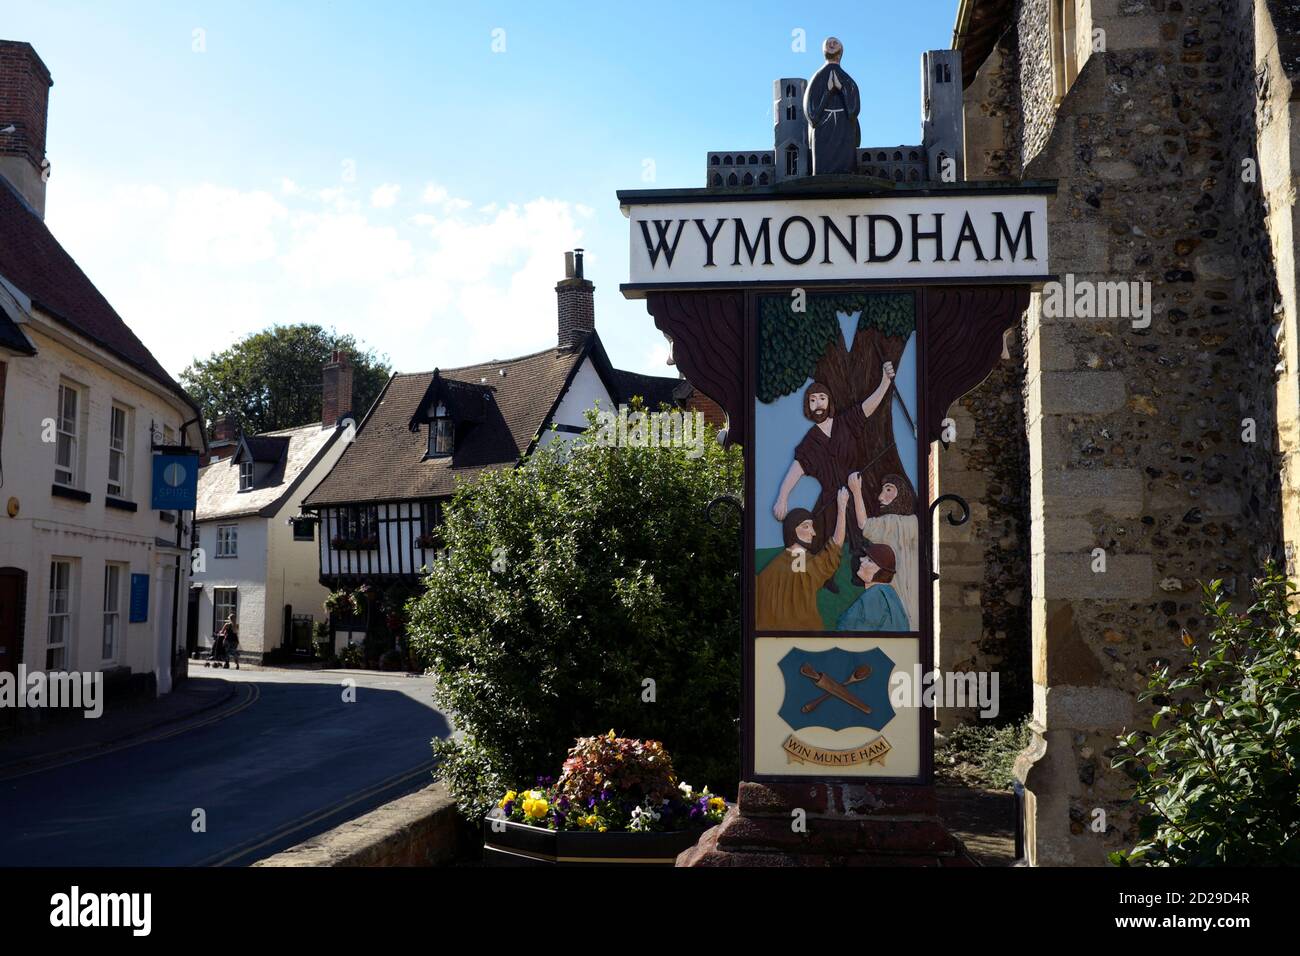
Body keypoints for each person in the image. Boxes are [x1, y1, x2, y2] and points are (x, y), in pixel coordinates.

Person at [757, 487, 849, 631]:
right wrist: (842, 508)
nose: (812, 533)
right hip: (806, 638)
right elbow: (835, 547)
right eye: (806, 527)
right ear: (792, 530)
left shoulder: (772, 569)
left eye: (812, 527)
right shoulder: (798, 562)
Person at [847, 470, 919, 630]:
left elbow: (864, 525)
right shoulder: (914, 523)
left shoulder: (892, 522)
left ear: (902, 493)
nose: (880, 497)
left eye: (888, 489)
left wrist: (856, 491)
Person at [804, 37, 861, 175]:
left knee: (845, 155)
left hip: (844, 126)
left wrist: (841, 88)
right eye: (829, 42)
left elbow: (854, 110)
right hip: (823, 127)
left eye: (835, 42)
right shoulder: (818, 78)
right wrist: (827, 91)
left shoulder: (848, 80)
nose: (831, 44)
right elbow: (811, 112)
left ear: (841, 51)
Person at [836, 542, 909, 631]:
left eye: (869, 560)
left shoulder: (875, 595)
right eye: (865, 557)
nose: (861, 560)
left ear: (882, 571)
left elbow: (849, 629)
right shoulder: (888, 593)